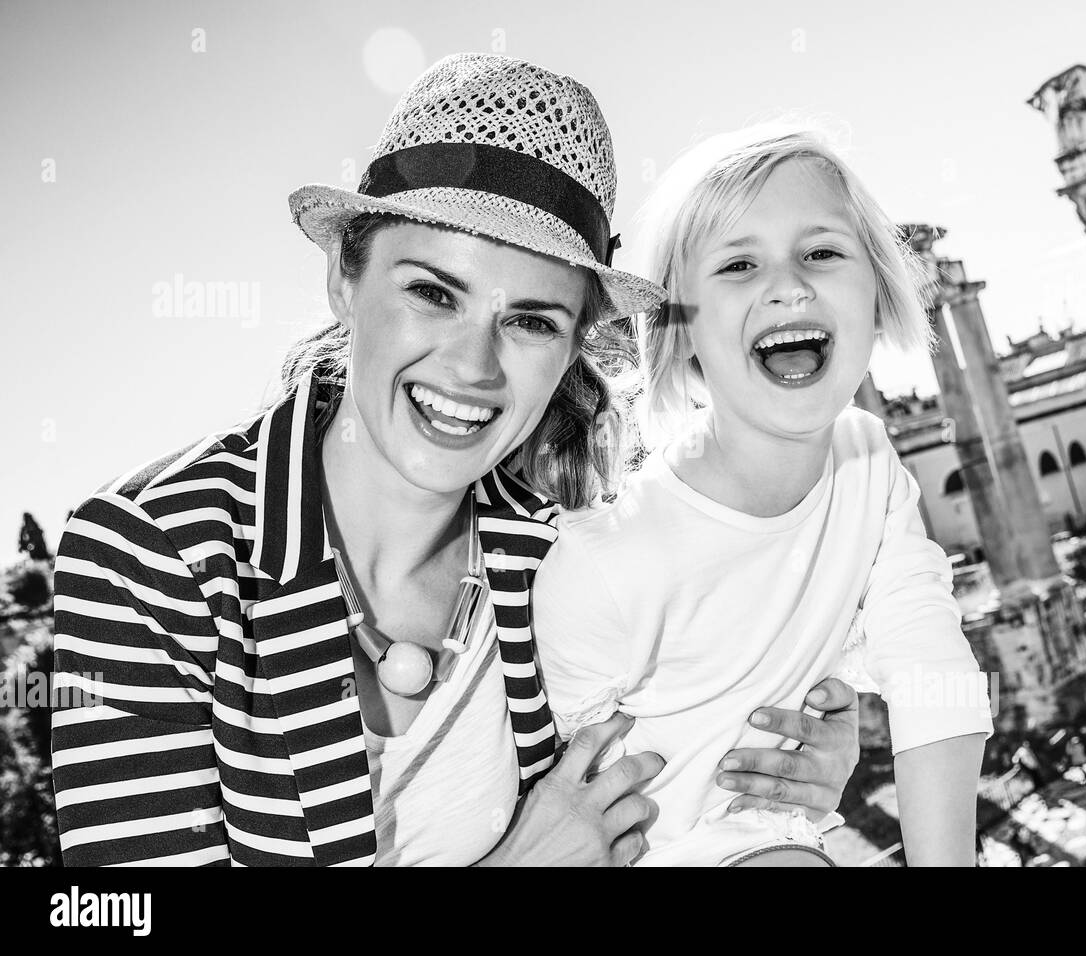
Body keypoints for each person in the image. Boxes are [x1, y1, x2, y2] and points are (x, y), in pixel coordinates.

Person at [48, 54, 860, 867]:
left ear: (573, 349)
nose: (474, 367)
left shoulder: (558, 558)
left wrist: (787, 776)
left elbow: (680, 801)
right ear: (344, 276)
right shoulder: (151, 554)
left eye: (533, 322)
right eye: (434, 294)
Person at [532, 124, 994, 867]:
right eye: (739, 264)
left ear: (879, 292)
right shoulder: (608, 559)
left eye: (821, 252)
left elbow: (932, 674)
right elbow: (541, 786)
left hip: (774, 838)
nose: (788, 284)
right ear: (677, 332)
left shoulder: (867, 459)